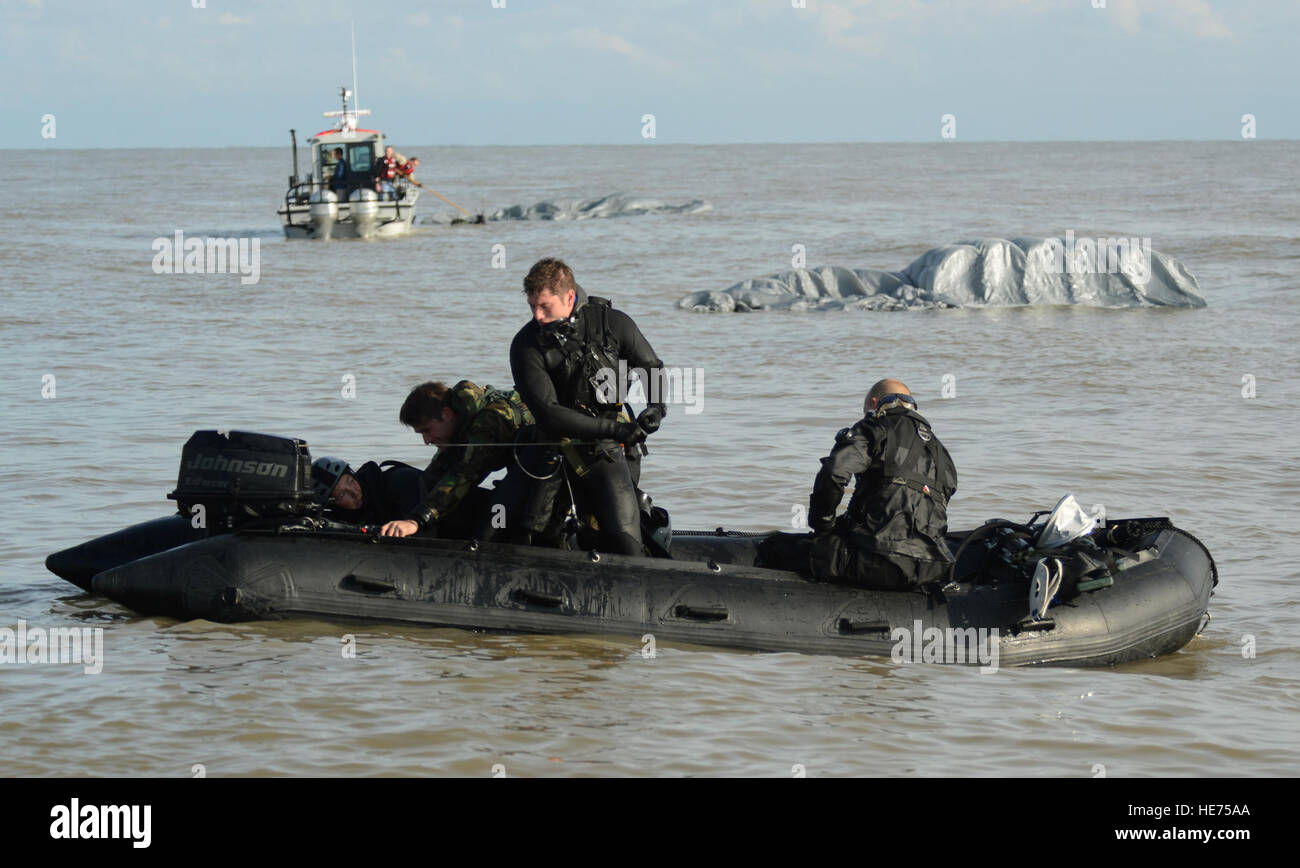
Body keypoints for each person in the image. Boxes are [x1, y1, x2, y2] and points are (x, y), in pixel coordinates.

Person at [509, 257, 667, 556]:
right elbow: (548, 412)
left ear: (569, 297)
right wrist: (617, 429)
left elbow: (652, 367)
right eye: (532, 307)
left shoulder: (613, 323)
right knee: (521, 532)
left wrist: (656, 408)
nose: (537, 316)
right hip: (551, 446)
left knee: (624, 543)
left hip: (604, 451)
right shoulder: (525, 344)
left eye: (545, 307)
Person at [806, 379, 958, 590]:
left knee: (774, 548)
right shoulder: (942, 452)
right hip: (931, 568)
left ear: (874, 403)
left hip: (875, 559)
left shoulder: (875, 427)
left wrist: (823, 526)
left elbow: (834, 473)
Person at [381, 380, 550, 541]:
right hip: (522, 473)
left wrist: (417, 521)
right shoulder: (459, 423)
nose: (426, 440)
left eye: (427, 430)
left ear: (447, 414)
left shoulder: (490, 421)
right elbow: (436, 476)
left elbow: (464, 475)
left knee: (492, 524)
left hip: (546, 479)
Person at [311, 456, 426, 527]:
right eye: (342, 494)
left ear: (354, 475)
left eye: (350, 481)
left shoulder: (400, 483)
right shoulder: (340, 518)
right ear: (333, 504)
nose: (354, 492)